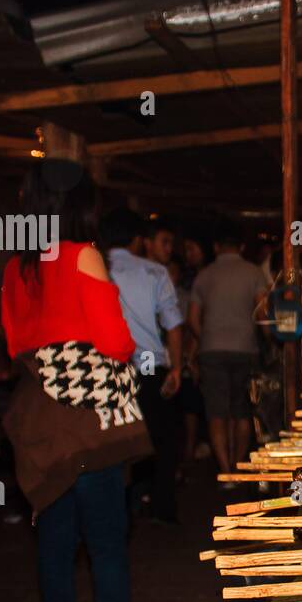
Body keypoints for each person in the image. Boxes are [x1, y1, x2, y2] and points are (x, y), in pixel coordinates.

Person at [0, 162, 144, 602]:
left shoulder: (16, 268)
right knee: (106, 543)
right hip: (86, 423)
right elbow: (117, 343)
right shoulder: (83, 255)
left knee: (54, 543)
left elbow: (15, 345)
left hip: (39, 423)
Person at [102, 207, 184, 525]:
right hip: (149, 364)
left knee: (117, 440)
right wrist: (176, 368)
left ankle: (120, 508)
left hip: (110, 367)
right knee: (161, 440)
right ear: (138, 239)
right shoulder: (154, 273)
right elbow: (173, 323)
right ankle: (162, 506)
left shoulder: (95, 269)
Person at [189, 219, 268, 482]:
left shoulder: (204, 274)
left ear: (215, 246)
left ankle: (225, 471)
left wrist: (207, 338)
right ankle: (238, 463)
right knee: (242, 409)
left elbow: (192, 318)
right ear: (242, 246)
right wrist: (267, 341)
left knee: (217, 412)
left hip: (211, 350)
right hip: (246, 349)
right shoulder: (254, 272)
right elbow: (263, 313)